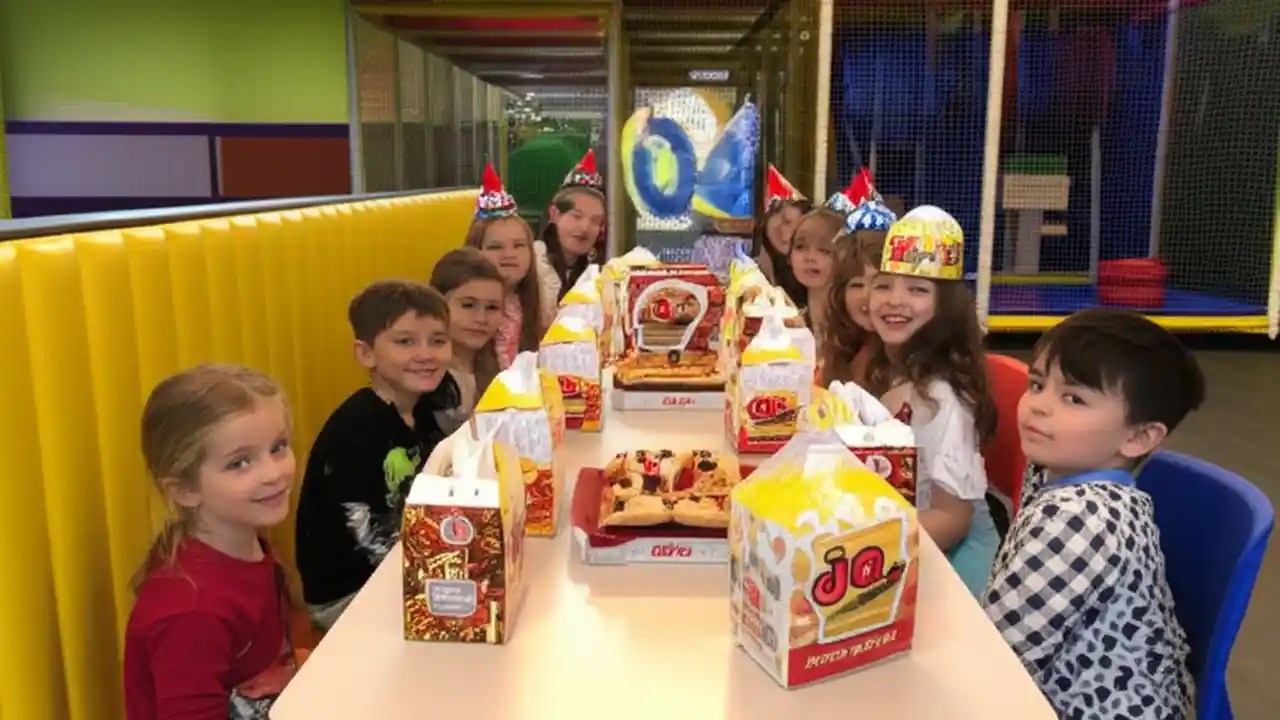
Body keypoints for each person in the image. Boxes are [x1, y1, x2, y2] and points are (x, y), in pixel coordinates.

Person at [983, 309, 1202, 719]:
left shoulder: (1079, 518)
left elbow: (997, 662)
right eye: (1037, 384)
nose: (1038, 406)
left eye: (1074, 398)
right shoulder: (1060, 471)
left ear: (1138, 437)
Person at [124, 364, 298, 719]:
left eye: (278, 447)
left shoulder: (248, 542)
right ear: (185, 490)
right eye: (239, 463)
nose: (273, 473)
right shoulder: (191, 610)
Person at [294, 280, 460, 631]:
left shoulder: (423, 411)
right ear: (366, 354)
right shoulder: (355, 432)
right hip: (350, 594)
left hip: (402, 565)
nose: (426, 353)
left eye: (438, 341)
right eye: (405, 342)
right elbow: (368, 541)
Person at [865, 205, 1000, 597]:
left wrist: (866, 553)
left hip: (955, 567)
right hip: (908, 535)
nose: (894, 300)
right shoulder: (897, 367)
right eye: (884, 285)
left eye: (917, 289)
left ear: (946, 306)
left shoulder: (943, 399)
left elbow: (951, 518)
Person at [466, 162, 548, 365]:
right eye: (495, 247)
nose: (509, 255)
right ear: (474, 253)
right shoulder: (466, 313)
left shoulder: (530, 304)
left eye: (519, 245)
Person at [819, 187, 899, 387]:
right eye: (856, 284)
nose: (867, 296)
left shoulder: (911, 364)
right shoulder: (849, 349)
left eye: (880, 284)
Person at [429, 247, 505, 433]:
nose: (481, 319)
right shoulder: (425, 375)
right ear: (436, 304)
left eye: (492, 308)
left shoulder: (496, 368)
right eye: (468, 305)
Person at [535, 150, 606, 307]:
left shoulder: (600, 274)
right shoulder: (531, 264)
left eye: (595, 221)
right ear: (554, 214)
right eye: (576, 216)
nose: (585, 228)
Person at [752, 164, 810, 302]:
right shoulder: (754, 267)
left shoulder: (812, 269)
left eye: (789, 223)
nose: (785, 235)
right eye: (783, 220)